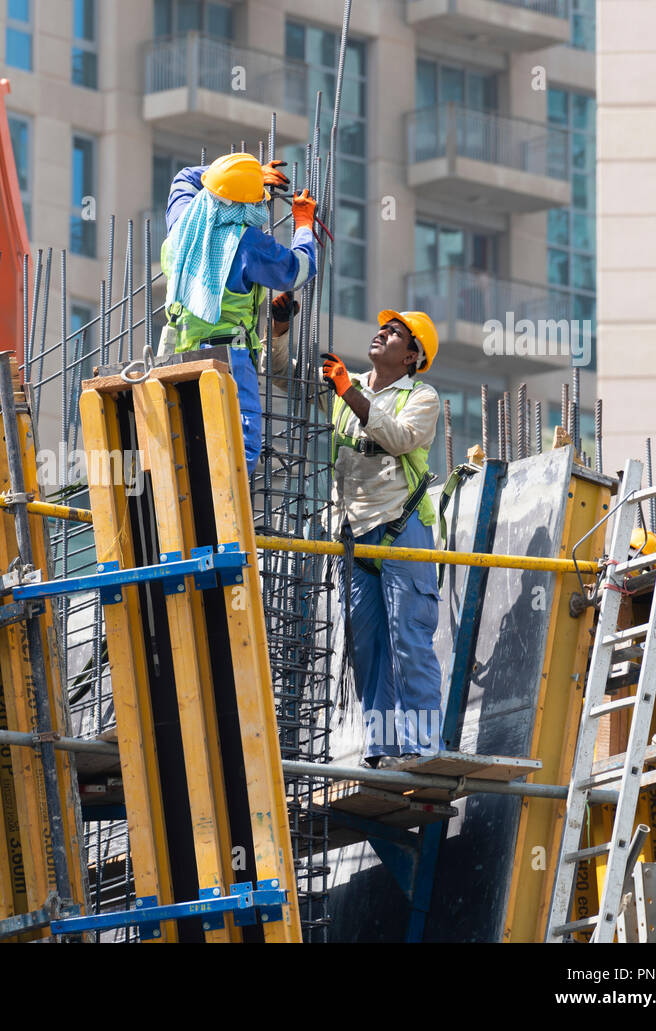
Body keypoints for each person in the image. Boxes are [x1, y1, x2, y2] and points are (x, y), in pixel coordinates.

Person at [321, 311, 444, 768]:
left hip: (399, 525)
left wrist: (348, 392)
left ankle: (423, 747)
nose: (382, 333)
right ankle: (384, 748)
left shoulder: (421, 395)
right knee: (367, 646)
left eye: (395, 333)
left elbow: (399, 438)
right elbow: (282, 377)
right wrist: (278, 331)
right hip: (352, 531)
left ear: (412, 356)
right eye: (384, 328)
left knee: (408, 638)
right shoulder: (344, 386)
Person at [161, 152, 320, 469]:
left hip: (175, 357)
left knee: (184, 443)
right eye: (257, 197)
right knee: (238, 449)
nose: (262, 204)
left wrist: (245, 175)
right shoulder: (245, 243)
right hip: (225, 358)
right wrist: (304, 225)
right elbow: (299, 269)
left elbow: (186, 177)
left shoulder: (182, 225)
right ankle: (220, 517)